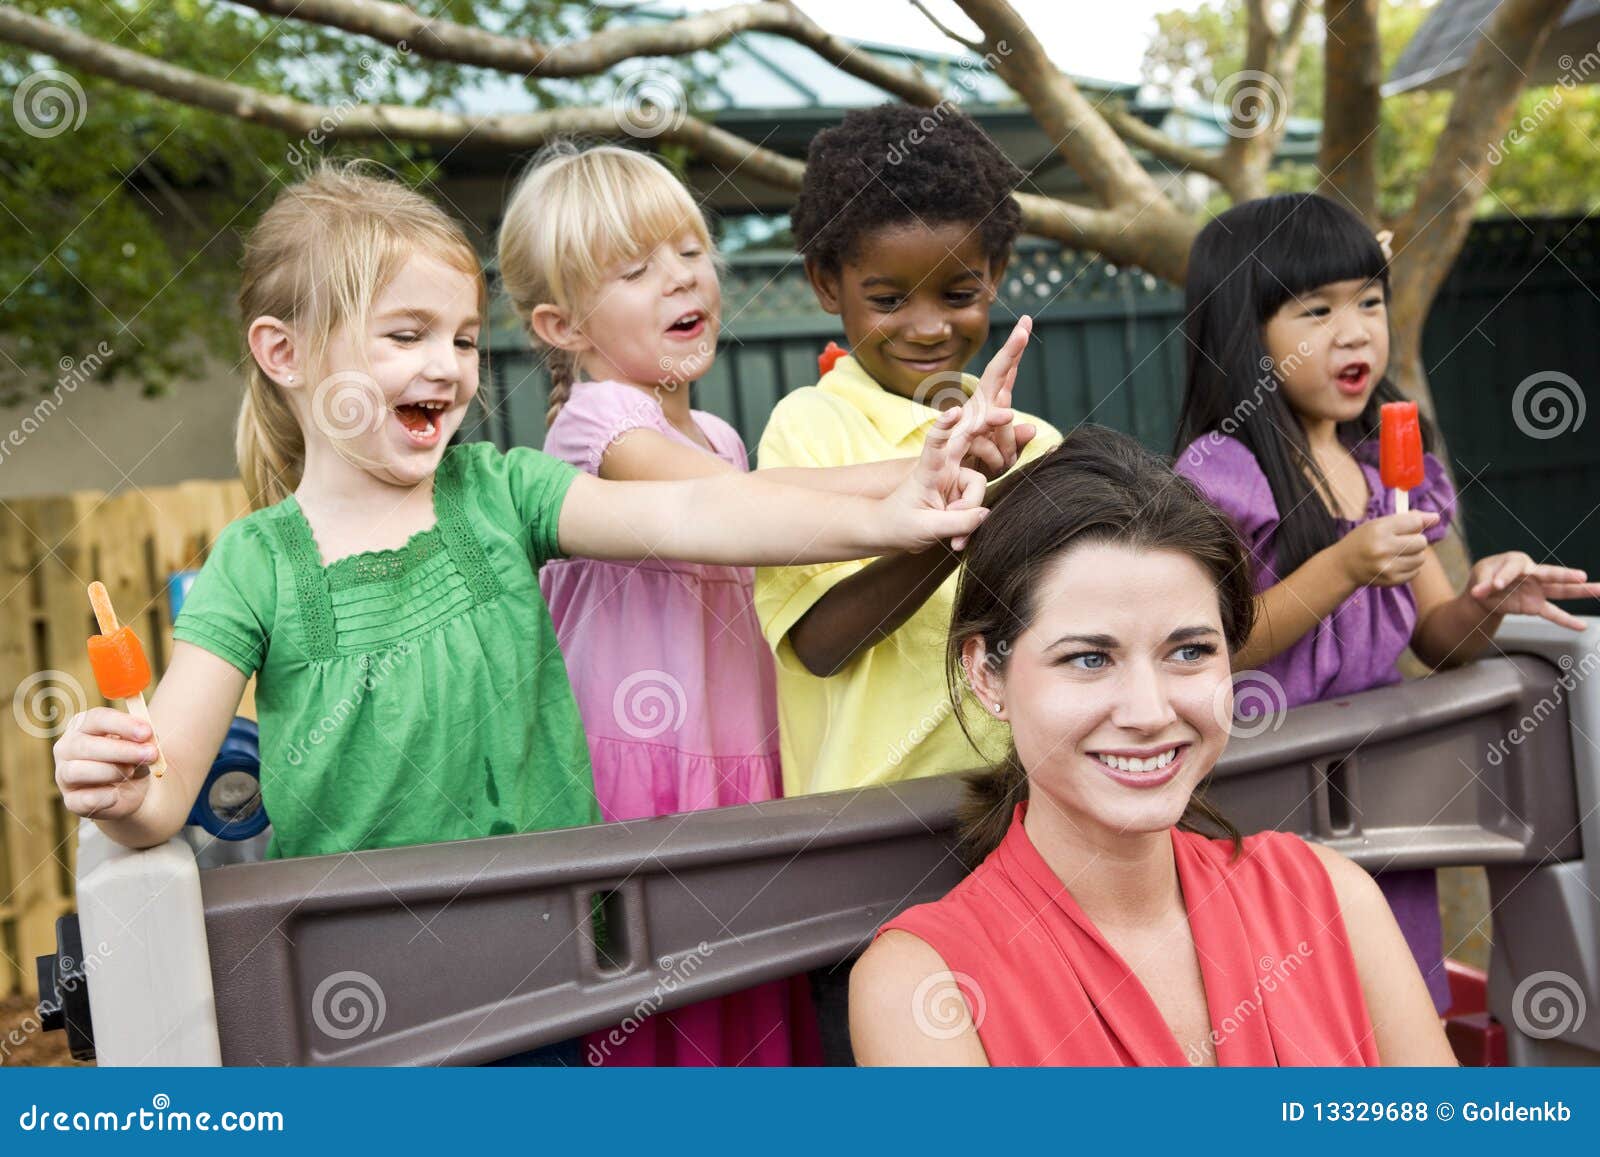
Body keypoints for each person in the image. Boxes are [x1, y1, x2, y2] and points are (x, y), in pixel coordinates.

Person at [496, 142, 1034, 1066]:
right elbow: (731, 507)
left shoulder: (714, 432)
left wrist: (937, 462)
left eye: (690, 251)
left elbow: (764, 493)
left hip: (739, 767)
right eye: (635, 269)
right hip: (639, 776)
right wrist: (918, 479)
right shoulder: (596, 425)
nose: (680, 279)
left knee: (748, 1014)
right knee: (659, 1032)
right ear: (562, 325)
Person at [851, 428, 1459, 1066]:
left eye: (1189, 652)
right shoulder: (925, 987)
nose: (1149, 712)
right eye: (1089, 658)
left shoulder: (1331, 898)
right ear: (985, 675)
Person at [1171, 192, 1600, 1010]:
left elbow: (1439, 637)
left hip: (1390, 804)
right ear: (1244, 335)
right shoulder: (1223, 474)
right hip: (1267, 811)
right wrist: (1343, 565)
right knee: (1297, 1022)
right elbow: (1214, 642)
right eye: (1316, 310)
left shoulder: (1384, 473)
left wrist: (1489, 603)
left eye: (1370, 301)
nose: (1357, 329)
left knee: (1402, 1010)